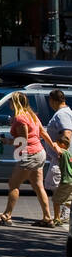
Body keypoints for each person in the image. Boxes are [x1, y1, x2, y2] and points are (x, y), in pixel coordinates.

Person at [0, 91, 55, 227]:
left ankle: (7, 216)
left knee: (13, 184)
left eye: (10, 101)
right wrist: (53, 146)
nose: (9, 103)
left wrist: (6, 141)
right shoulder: (32, 116)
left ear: (15, 103)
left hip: (29, 155)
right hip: (39, 153)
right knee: (38, 186)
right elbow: (43, 132)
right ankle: (47, 218)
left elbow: (23, 140)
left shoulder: (20, 118)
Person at [46, 89, 72, 224]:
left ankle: (62, 214)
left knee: (57, 186)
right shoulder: (65, 112)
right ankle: (63, 213)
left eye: (50, 101)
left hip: (60, 158)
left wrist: (61, 151)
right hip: (59, 157)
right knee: (57, 185)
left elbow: (67, 133)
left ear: (53, 100)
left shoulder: (62, 114)